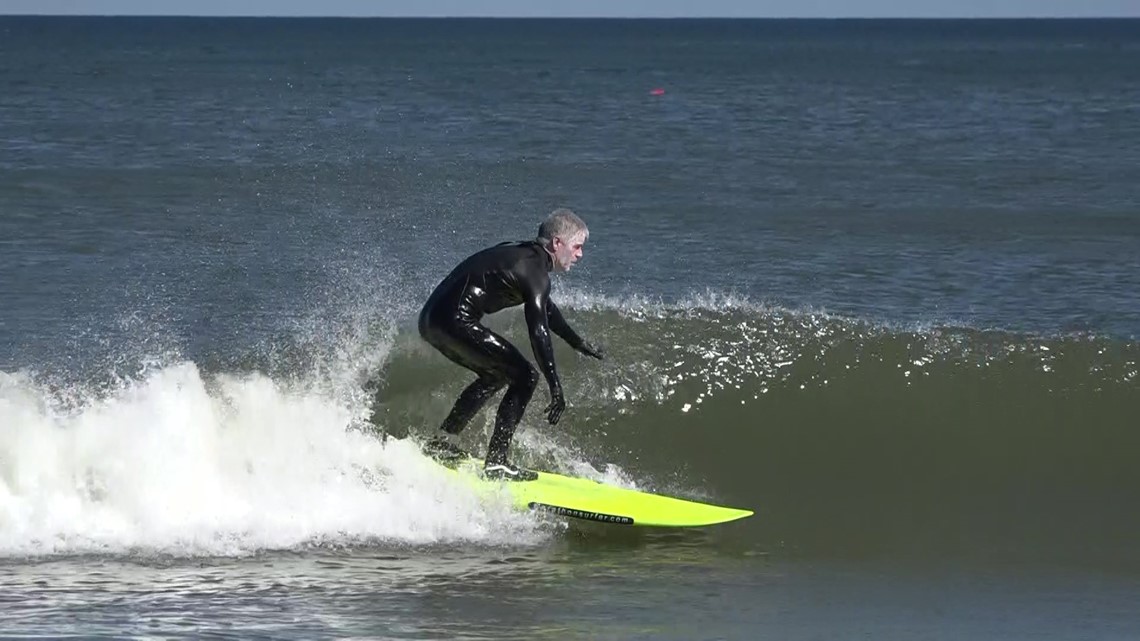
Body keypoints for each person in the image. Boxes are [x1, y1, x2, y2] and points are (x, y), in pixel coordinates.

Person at [418, 208, 603, 480]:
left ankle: (440, 443)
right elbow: (538, 331)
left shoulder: (524, 258)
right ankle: (497, 461)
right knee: (526, 376)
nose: (580, 254)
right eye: (576, 247)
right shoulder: (535, 271)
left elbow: (546, 312)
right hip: (455, 320)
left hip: (432, 320)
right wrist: (555, 386)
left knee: (495, 375)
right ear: (556, 243)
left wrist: (577, 343)